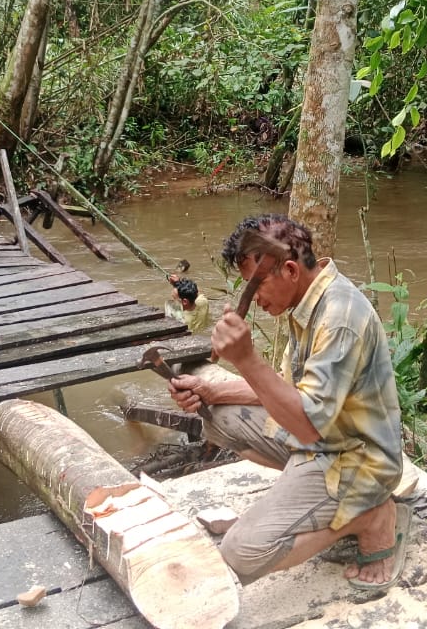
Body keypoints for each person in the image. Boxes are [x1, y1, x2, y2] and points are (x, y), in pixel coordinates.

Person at [168, 215, 407, 590]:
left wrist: (246, 359)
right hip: (323, 442)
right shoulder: (307, 303)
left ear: (290, 270)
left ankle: (371, 515)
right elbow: (288, 388)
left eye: (253, 287)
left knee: (241, 552)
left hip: (358, 459)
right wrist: (210, 391)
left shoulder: (339, 316)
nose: (254, 298)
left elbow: (308, 423)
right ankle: (312, 500)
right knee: (215, 416)